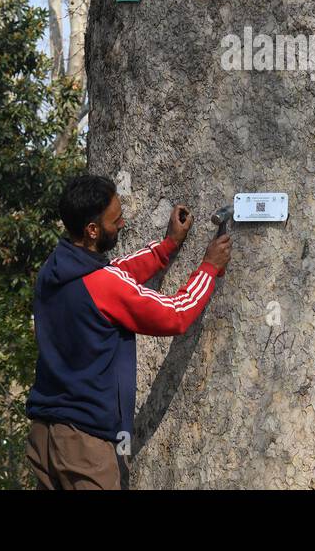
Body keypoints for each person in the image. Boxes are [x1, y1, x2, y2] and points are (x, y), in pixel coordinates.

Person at [25, 174, 232, 489]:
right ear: (92, 230)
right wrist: (208, 268)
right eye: (115, 219)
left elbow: (115, 272)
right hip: (85, 444)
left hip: (44, 437)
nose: (121, 224)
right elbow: (175, 315)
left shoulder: (52, 271)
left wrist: (167, 247)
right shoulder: (104, 285)